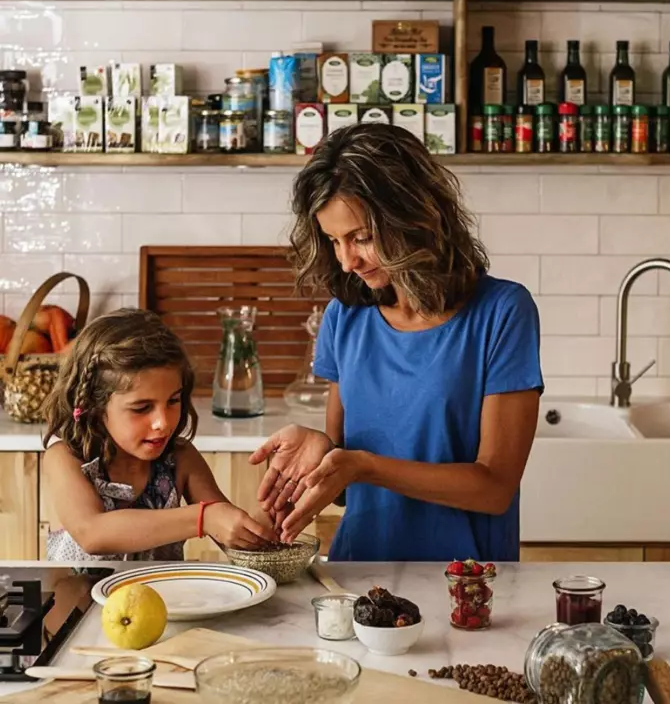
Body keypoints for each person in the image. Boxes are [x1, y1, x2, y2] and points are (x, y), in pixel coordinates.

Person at [248, 124, 544, 562]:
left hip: (468, 587)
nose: (347, 261)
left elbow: (494, 489)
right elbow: (343, 484)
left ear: (414, 217)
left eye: (362, 237)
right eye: (334, 241)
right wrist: (319, 449)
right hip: (360, 580)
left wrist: (363, 464)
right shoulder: (345, 317)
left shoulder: (502, 312)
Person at [43, 308, 277, 561]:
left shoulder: (181, 459)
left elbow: (231, 536)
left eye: (173, 401)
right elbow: (92, 534)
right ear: (94, 406)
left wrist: (266, 519)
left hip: (166, 600)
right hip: (82, 599)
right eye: (142, 408)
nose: (163, 423)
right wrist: (203, 517)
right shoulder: (67, 458)